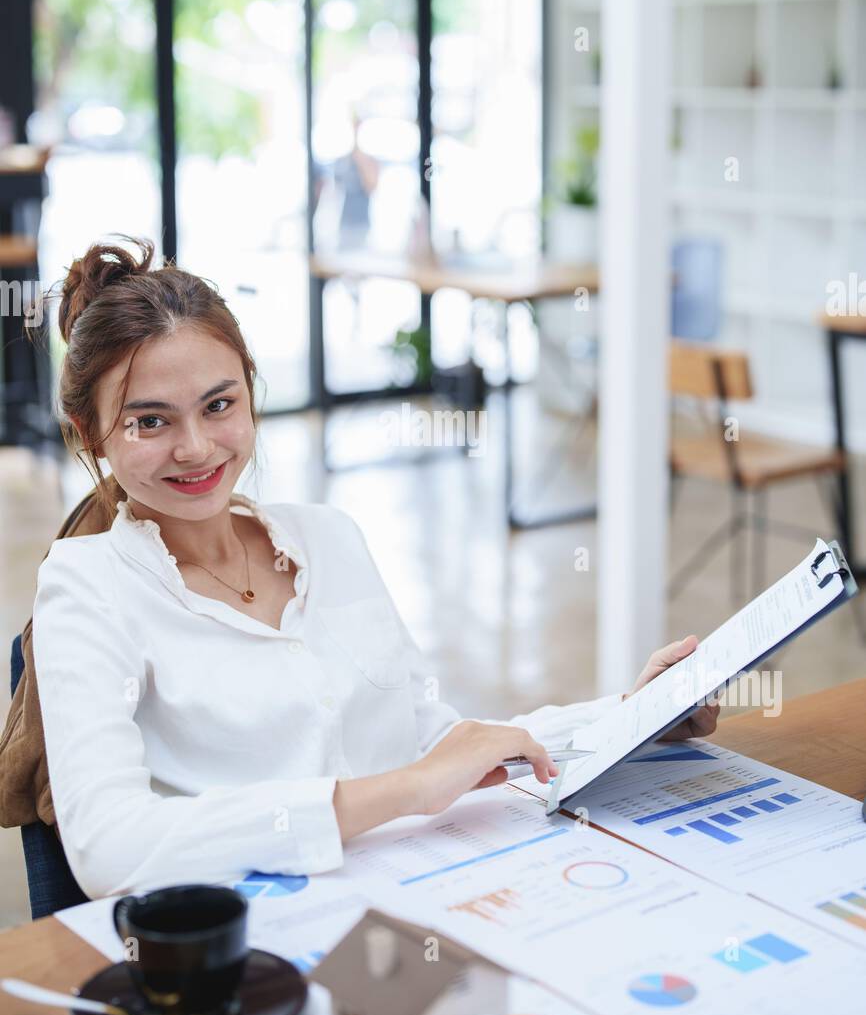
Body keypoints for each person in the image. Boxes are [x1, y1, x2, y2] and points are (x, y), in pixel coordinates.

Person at [31, 236, 719, 899]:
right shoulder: (86, 587)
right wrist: (405, 791)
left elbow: (430, 736)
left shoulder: (328, 538)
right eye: (150, 422)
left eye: (219, 405)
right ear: (90, 433)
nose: (196, 447)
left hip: (420, 893)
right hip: (266, 947)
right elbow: (108, 849)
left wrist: (630, 719)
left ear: (250, 394)